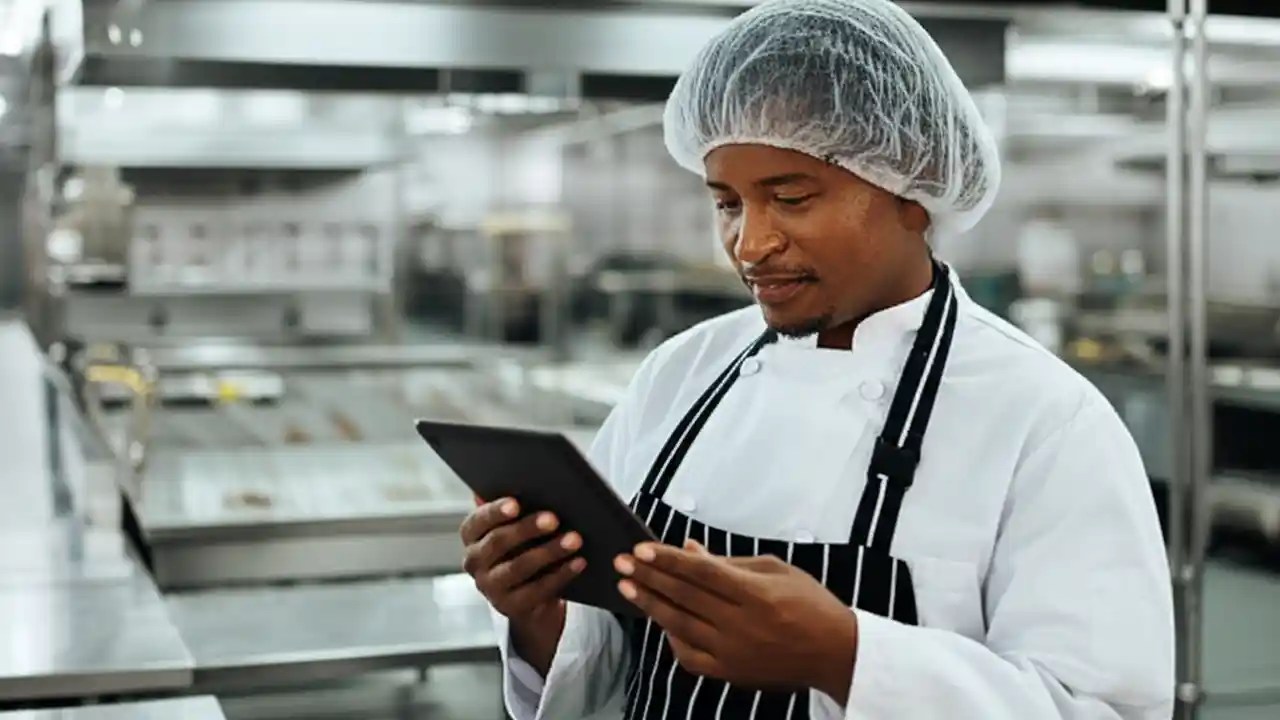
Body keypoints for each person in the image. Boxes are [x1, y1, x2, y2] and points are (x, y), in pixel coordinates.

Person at [458, 0, 1175, 718]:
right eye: (728, 203)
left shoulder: (1045, 421)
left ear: (914, 188)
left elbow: (1103, 709)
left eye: (791, 197)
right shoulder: (681, 375)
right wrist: (541, 617)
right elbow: (615, 662)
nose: (748, 243)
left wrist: (845, 657)